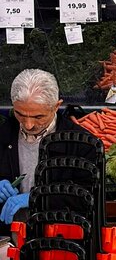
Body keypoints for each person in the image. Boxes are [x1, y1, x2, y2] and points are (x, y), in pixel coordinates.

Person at [0, 69, 76, 226]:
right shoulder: (3, 134)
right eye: (20, 114)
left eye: (38, 117)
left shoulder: (79, 143)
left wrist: (37, 198)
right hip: (8, 234)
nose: (28, 125)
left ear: (56, 106)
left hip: (58, 235)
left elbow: (86, 197)